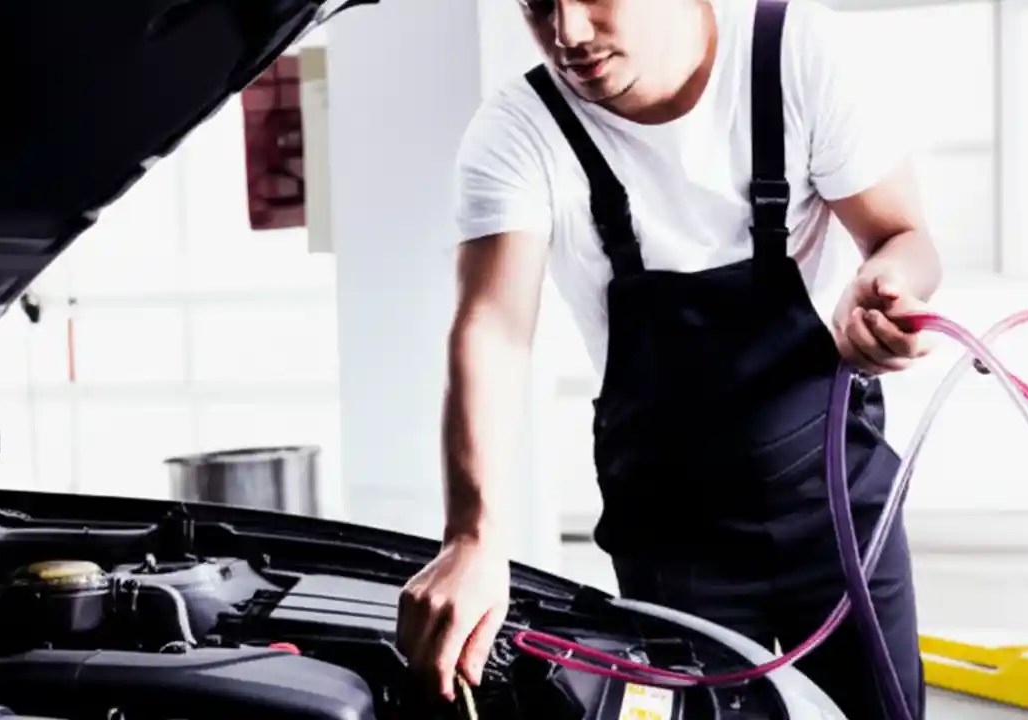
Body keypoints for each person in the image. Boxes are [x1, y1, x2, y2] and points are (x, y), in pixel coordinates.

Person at [397, 0, 941, 716]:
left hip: (840, 512)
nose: (567, 34)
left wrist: (889, 287)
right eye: (537, 4)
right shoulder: (521, 128)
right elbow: (492, 331)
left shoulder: (794, 53)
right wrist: (473, 537)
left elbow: (903, 238)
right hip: (671, 538)